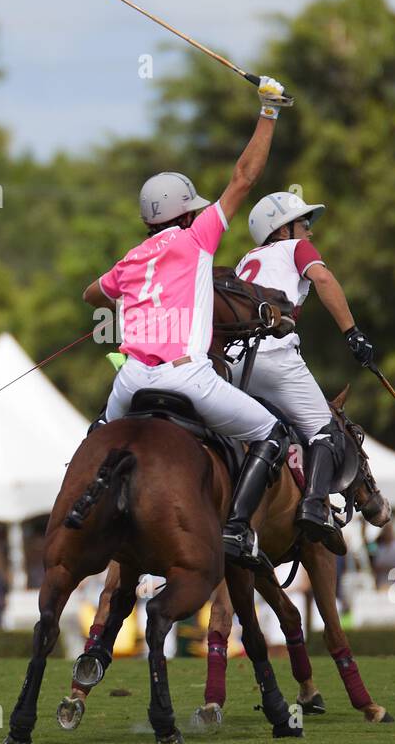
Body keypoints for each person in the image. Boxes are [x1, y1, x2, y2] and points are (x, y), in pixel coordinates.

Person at [81, 76, 294, 568]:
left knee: (98, 438)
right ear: (185, 213)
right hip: (187, 375)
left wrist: (118, 293)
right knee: (271, 433)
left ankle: (86, 508)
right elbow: (244, 176)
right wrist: (269, 111)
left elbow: (91, 292)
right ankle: (238, 529)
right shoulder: (198, 237)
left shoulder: (130, 261)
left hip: (131, 377)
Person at [232, 190, 389, 556]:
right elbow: (325, 281)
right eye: (303, 224)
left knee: (261, 434)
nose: (309, 232)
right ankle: (314, 505)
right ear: (282, 229)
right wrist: (352, 333)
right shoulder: (295, 250)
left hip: (235, 365)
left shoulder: (244, 260)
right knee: (326, 433)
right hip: (273, 358)